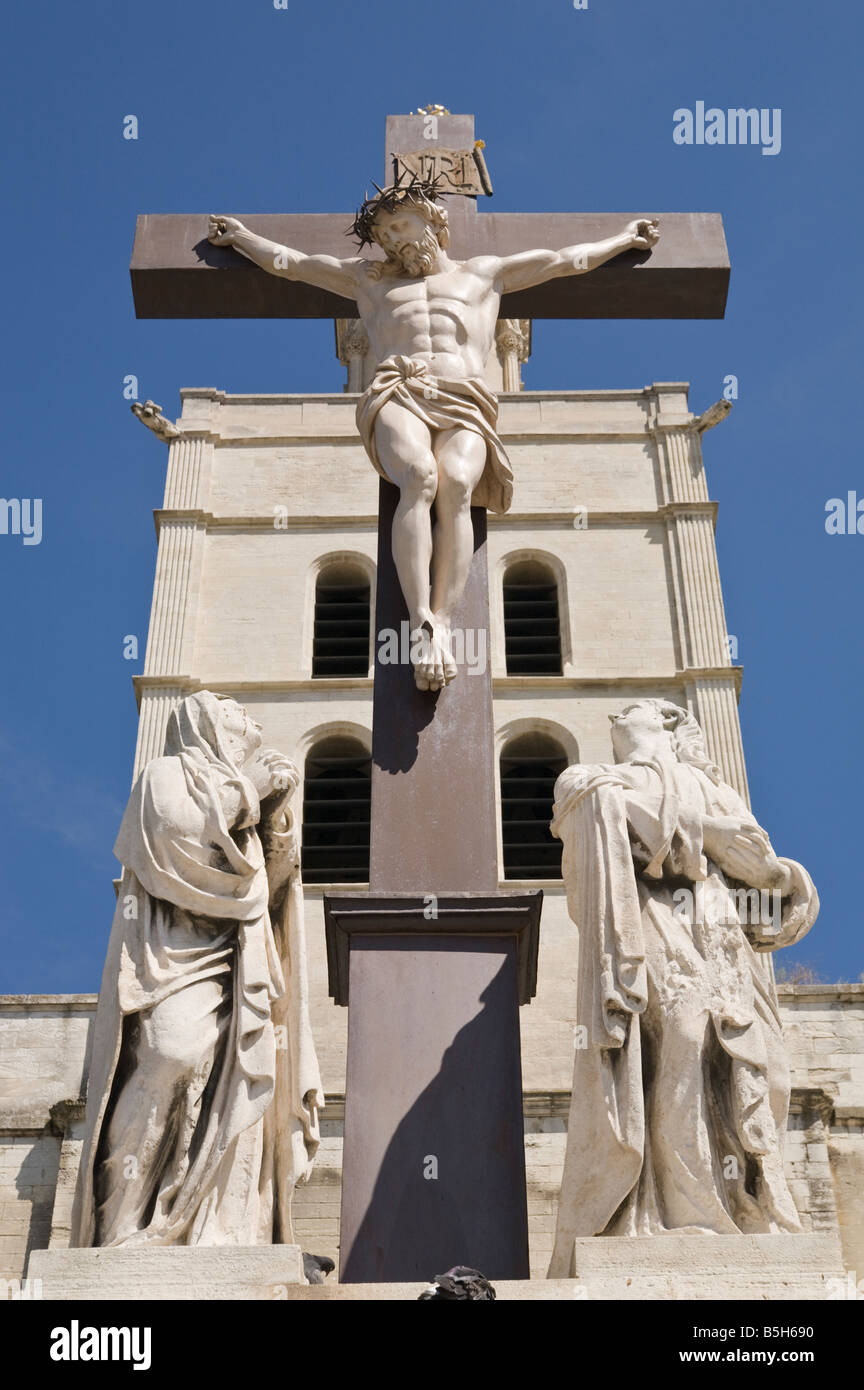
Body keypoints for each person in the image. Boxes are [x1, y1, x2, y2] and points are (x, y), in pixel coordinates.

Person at [209, 182, 658, 689]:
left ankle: (444, 621)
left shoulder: (483, 274)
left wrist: (622, 240)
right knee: (420, 476)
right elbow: (292, 263)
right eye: (385, 234)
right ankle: (420, 615)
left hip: (465, 396)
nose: (396, 241)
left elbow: (563, 260)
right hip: (400, 388)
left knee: (458, 484)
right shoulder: (369, 281)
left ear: (433, 221)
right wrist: (244, 238)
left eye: (402, 226)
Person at [547, 699, 819, 1273]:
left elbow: (762, 870)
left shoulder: (709, 785)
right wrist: (707, 835)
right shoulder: (593, 776)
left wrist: (781, 876)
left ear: (670, 725)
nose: (616, 715)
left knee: (763, 1064)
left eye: (636, 708)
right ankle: (688, 1214)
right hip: (649, 924)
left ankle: (749, 1203)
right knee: (683, 1035)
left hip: (719, 933)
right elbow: (591, 812)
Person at [71, 690, 323, 1247]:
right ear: (204, 722)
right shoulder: (166, 775)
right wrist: (247, 792)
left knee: (242, 1078)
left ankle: (217, 1229)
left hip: (238, 960)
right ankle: (122, 1226)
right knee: (169, 1052)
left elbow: (268, 892)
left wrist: (278, 823)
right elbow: (171, 839)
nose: (246, 713)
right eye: (232, 706)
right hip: (170, 953)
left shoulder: (242, 786)